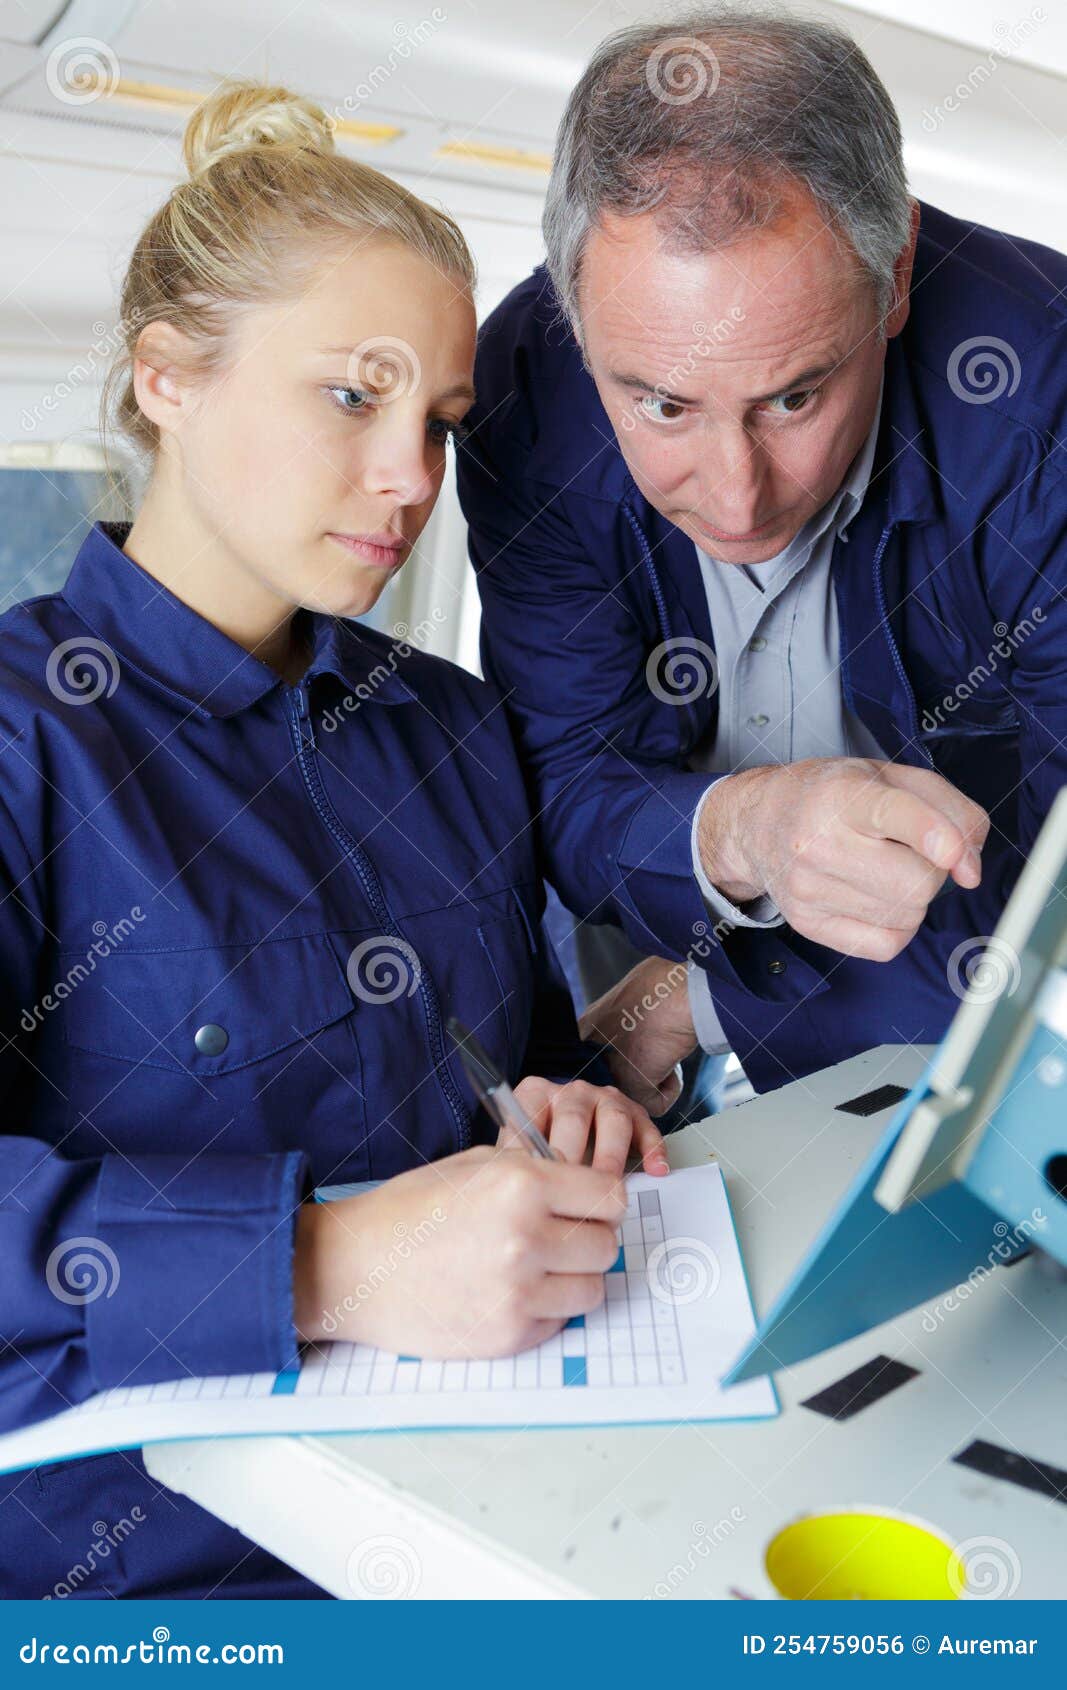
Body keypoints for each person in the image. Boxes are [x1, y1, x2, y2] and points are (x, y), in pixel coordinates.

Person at [0, 80, 666, 1601]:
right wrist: (324, 1264)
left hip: (498, 1481)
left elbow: (511, 1066)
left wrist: (563, 1112)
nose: (411, 480)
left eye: (437, 424)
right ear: (167, 377)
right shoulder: (28, 739)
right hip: (160, 1567)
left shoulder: (450, 724)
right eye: (353, 399)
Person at [456, 7, 1067, 1103]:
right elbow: (566, 779)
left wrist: (711, 1001)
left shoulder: (1043, 399)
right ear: (575, 312)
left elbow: (1057, 899)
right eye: (660, 405)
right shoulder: (525, 394)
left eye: (793, 397)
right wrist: (742, 829)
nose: (736, 499)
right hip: (664, 931)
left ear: (893, 277)